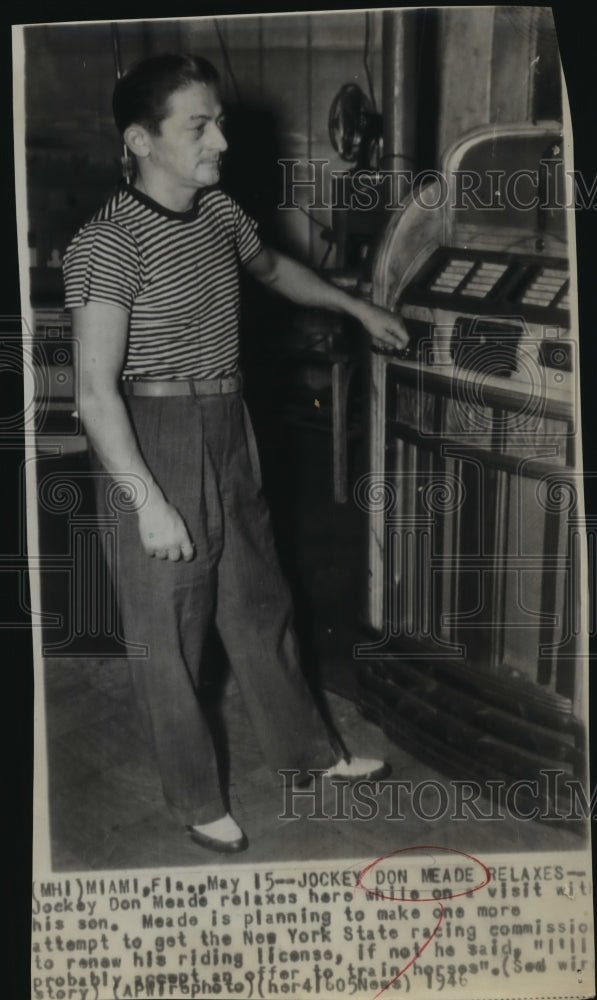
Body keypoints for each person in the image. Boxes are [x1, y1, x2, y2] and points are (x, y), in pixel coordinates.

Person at [63, 53, 409, 854]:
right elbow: (92, 391)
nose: (220, 137)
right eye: (199, 125)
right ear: (142, 141)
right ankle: (193, 799)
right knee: (170, 630)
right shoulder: (107, 243)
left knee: (259, 601)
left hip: (228, 417)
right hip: (149, 433)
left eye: (216, 120)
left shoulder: (218, 213)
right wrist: (147, 499)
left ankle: (308, 753)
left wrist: (355, 306)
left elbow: (275, 267)